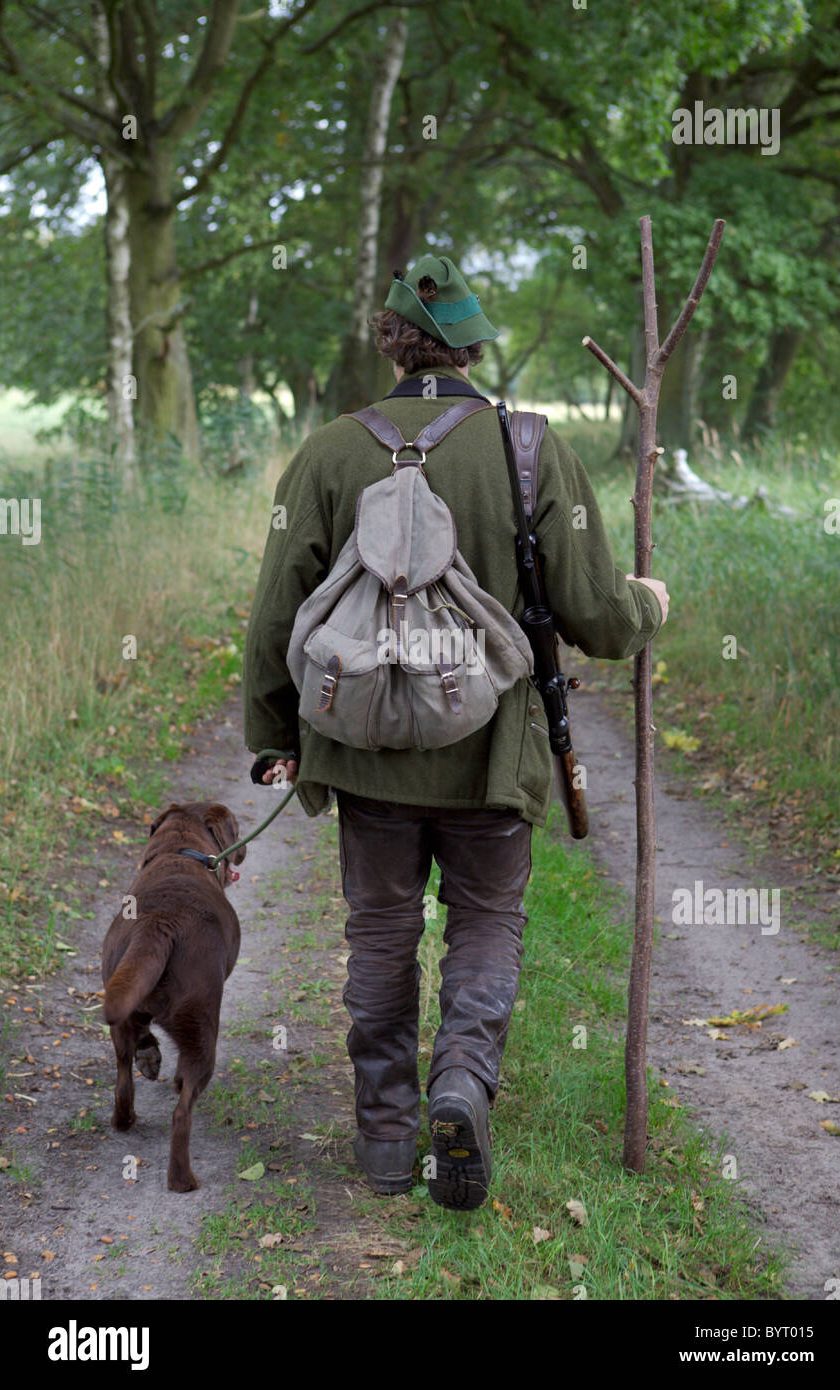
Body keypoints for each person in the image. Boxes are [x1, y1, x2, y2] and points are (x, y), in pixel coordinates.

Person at [242, 253, 669, 1210]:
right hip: (492, 752)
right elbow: (596, 615)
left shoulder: (327, 451)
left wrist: (274, 734)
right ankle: (463, 1089)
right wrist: (648, 605)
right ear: (473, 347)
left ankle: (388, 1139)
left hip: (363, 752)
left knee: (381, 929)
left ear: (390, 343)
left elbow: (276, 615)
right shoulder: (529, 447)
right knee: (485, 922)